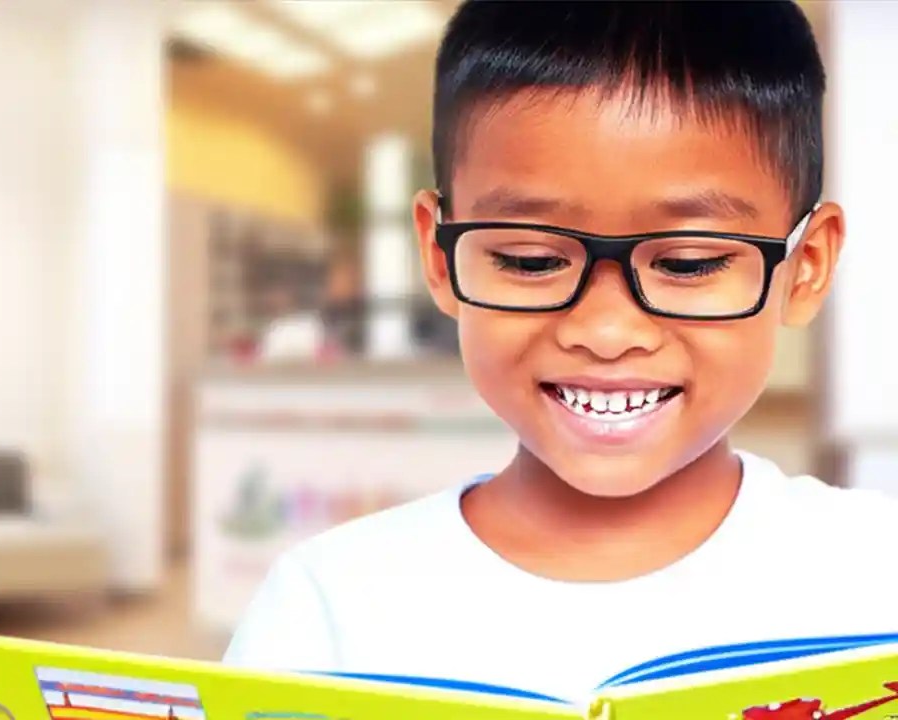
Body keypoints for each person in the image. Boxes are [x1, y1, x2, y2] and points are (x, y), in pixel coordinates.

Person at [221, 0, 898, 701]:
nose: (605, 332)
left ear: (808, 265)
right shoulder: (325, 609)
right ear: (440, 255)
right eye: (531, 259)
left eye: (690, 263)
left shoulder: (876, 574)